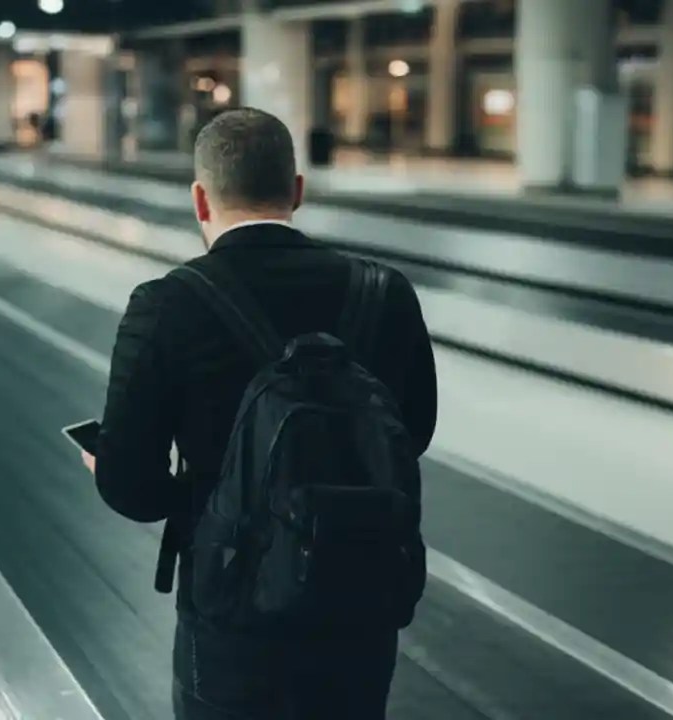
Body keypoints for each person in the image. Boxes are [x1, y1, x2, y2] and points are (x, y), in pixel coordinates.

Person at [85, 107, 437, 719]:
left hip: (230, 609)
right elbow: (415, 431)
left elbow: (132, 488)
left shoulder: (166, 304)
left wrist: (143, 477)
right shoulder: (385, 292)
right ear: (297, 191)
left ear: (200, 199)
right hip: (360, 595)